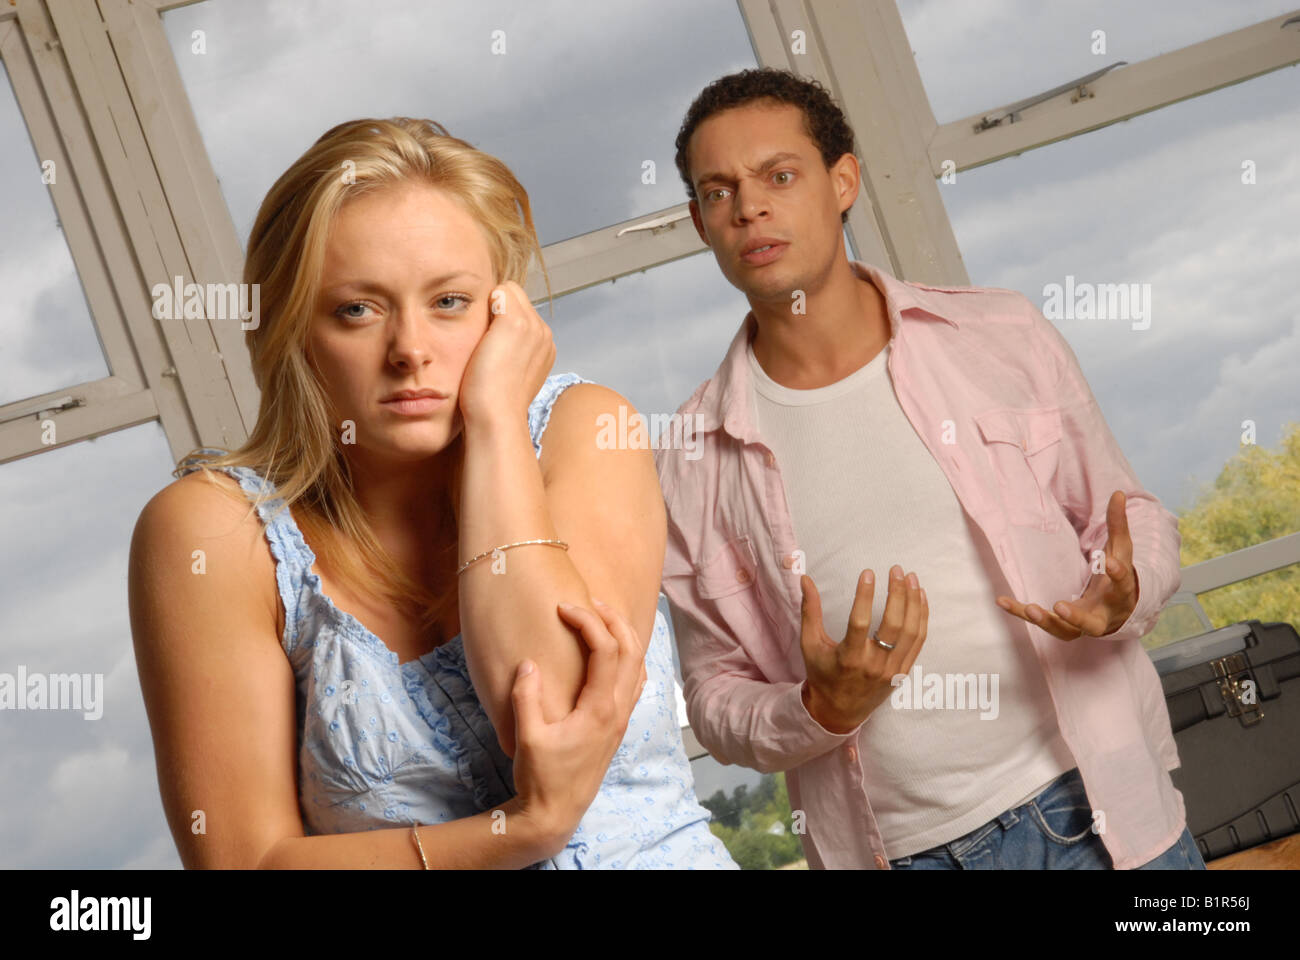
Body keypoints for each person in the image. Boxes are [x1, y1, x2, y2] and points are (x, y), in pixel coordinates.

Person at [128, 117, 736, 870]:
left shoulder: (587, 430)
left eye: (448, 302)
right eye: (357, 308)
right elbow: (243, 863)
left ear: (504, 310)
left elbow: (546, 704)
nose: (410, 350)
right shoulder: (214, 533)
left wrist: (494, 423)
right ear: (293, 332)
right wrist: (519, 832)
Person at [655, 68, 1202, 870]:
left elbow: (1132, 518)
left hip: (1097, 808)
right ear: (702, 224)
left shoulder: (1000, 335)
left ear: (843, 181)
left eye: (779, 175)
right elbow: (713, 698)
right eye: (717, 191)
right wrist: (818, 708)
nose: (749, 208)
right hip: (902, 855)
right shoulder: (689, 458)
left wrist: (1125, 592)